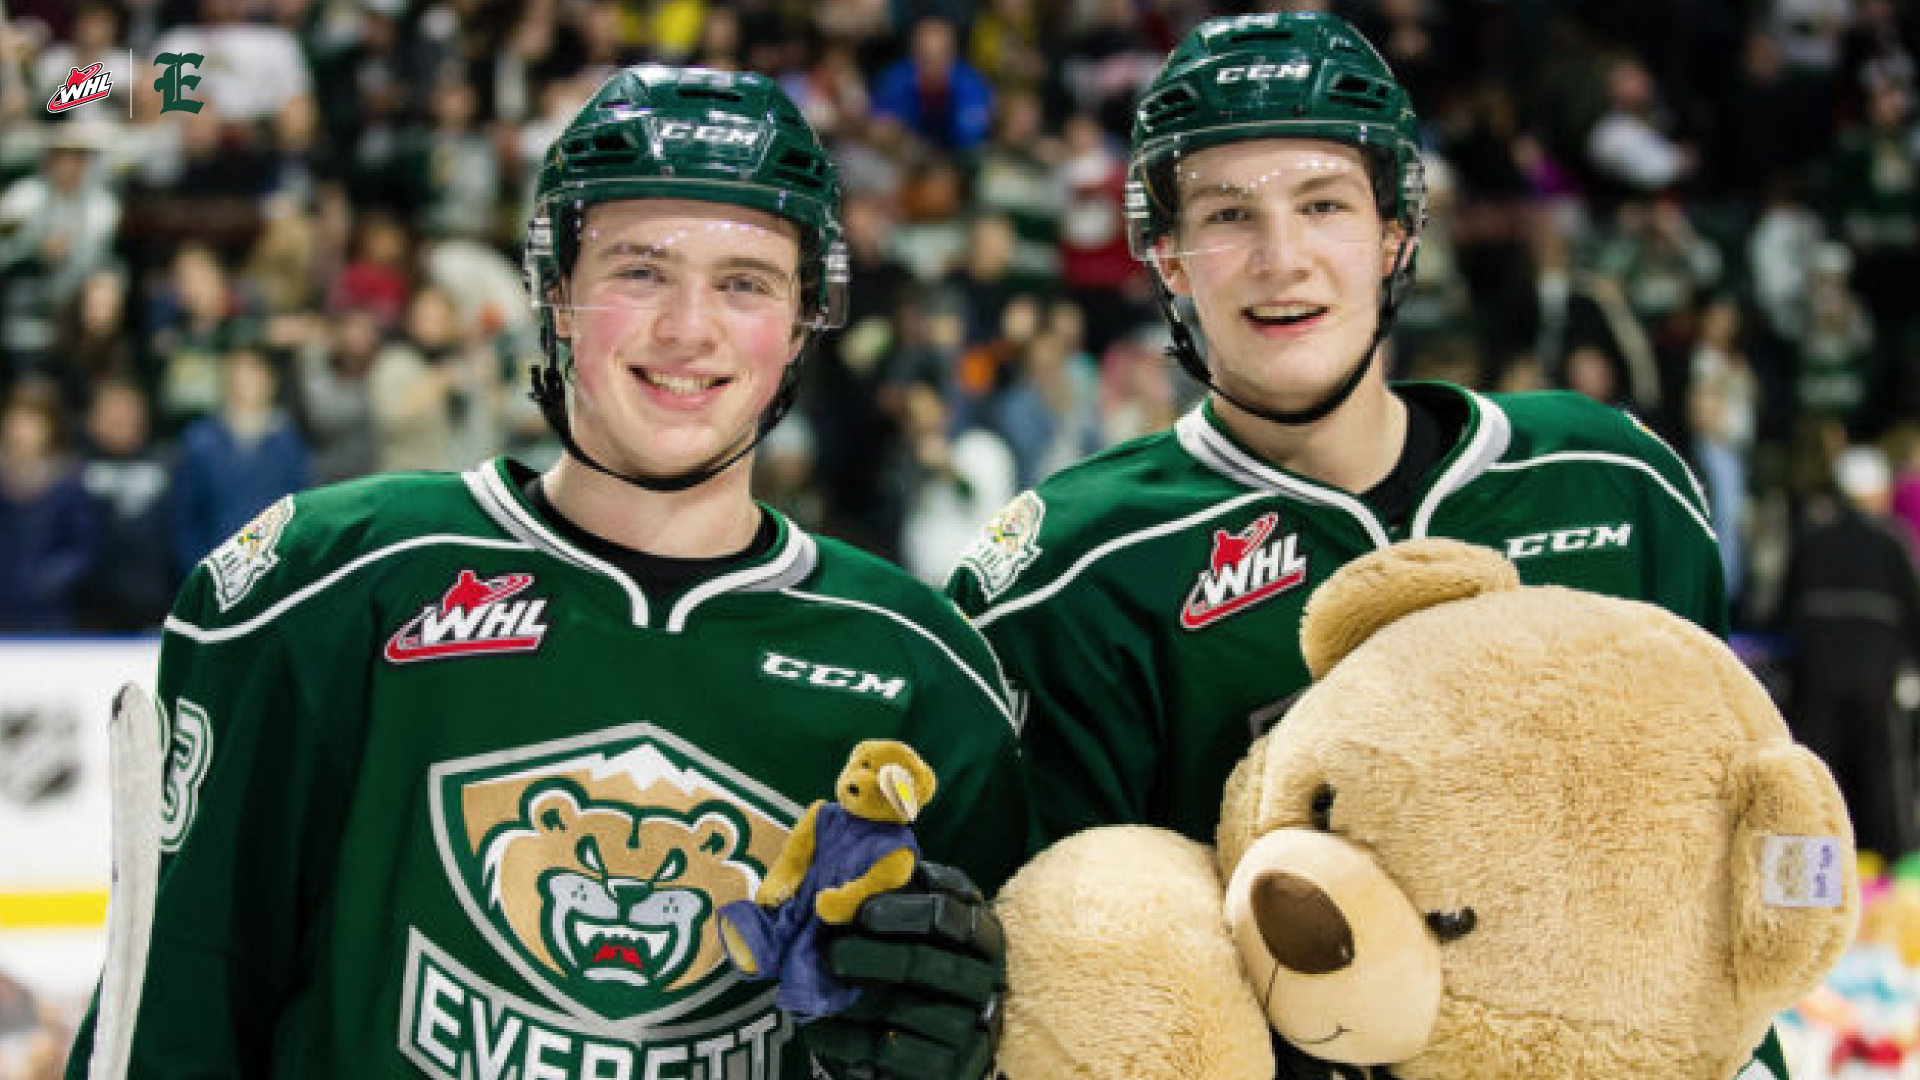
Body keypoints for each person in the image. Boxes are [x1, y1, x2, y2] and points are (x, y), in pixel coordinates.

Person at [66, 66, 1026, 1080]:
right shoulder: (332, 582)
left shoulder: (925, 674)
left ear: (801, 320)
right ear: (556, 293)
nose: (687, 329)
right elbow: (180, 1011)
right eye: (639, 270)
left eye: (744, 282)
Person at [945, 12, 1785, 1077]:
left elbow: (1724, 863)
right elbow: (1089, 977)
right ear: (1166, 253)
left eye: (1324, 204)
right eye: (1227, 214)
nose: (1280, 259)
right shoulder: (1078, 574)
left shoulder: (1614, 481)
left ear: (1396, 231)